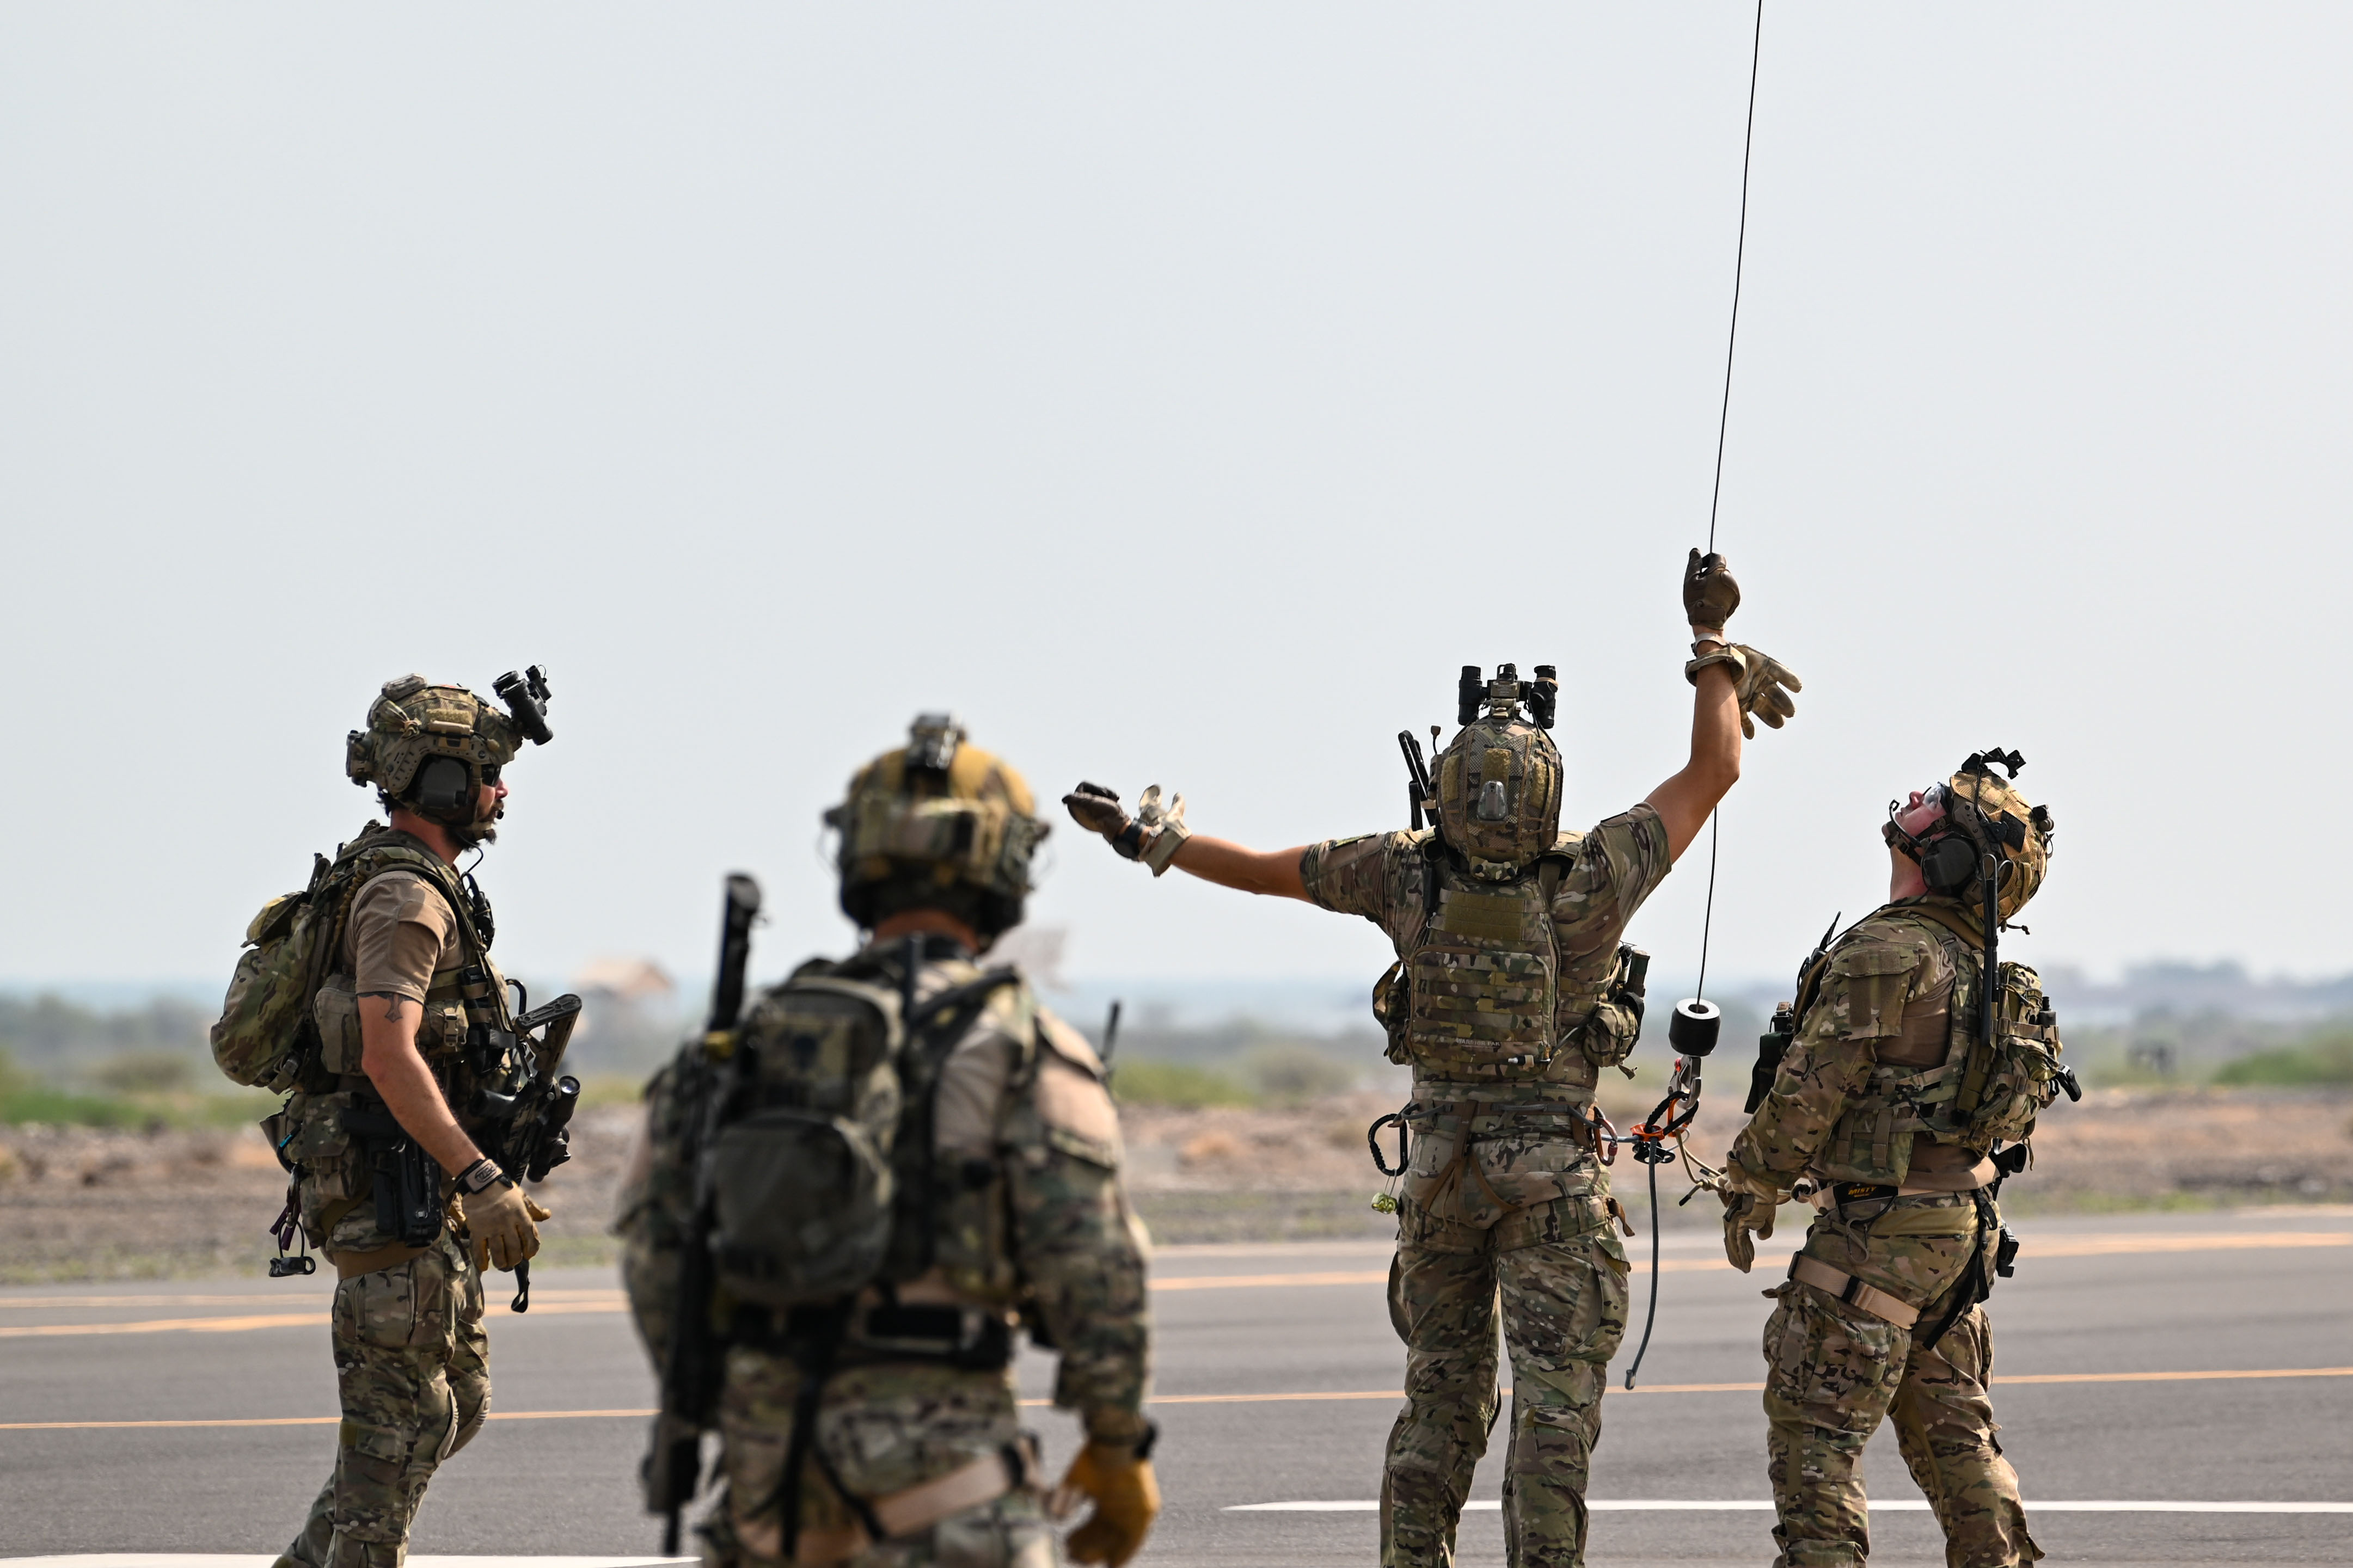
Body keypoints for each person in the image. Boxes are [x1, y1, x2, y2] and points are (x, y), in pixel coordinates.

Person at [1061, 553, 1801, 1568]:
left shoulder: (1402, 874)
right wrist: (1712, 646)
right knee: (1550, 1426)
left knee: (1437, 1408)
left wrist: (1153, 840)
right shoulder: (1595, 878)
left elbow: (1269, 874)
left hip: (1439, 1175)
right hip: (1551, 1185)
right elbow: (1712, 770)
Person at [618, 715, 1157, 1568]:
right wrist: (1118, 1443)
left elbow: (654, 1244)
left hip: (767, 1487)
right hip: (949, 1491)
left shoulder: (750, 1040)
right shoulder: (1021, 1042)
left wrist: (730, 1397)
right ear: (1006, 866)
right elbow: (1094, 1265)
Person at [1719, 751, 2062, 1568]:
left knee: (1817, 1437)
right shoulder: (1985, 965)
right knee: (1955, 1431)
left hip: (1876, 1236)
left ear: (1946, 859)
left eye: (1937, 806)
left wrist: (1753, 1181)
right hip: (1956, 1232)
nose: (1917, 799)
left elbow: (1811, 1086)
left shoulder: (1888, 952)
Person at [264, 673, 556, 1568]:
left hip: (416, 1184)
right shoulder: (405, 897)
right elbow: (390, 1054)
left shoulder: (417, 882)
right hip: (389, 1188)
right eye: (487, 773)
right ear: (439, 783)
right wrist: (482, 1175)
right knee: (399, 1428)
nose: (501, 791)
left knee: (454, 1403)